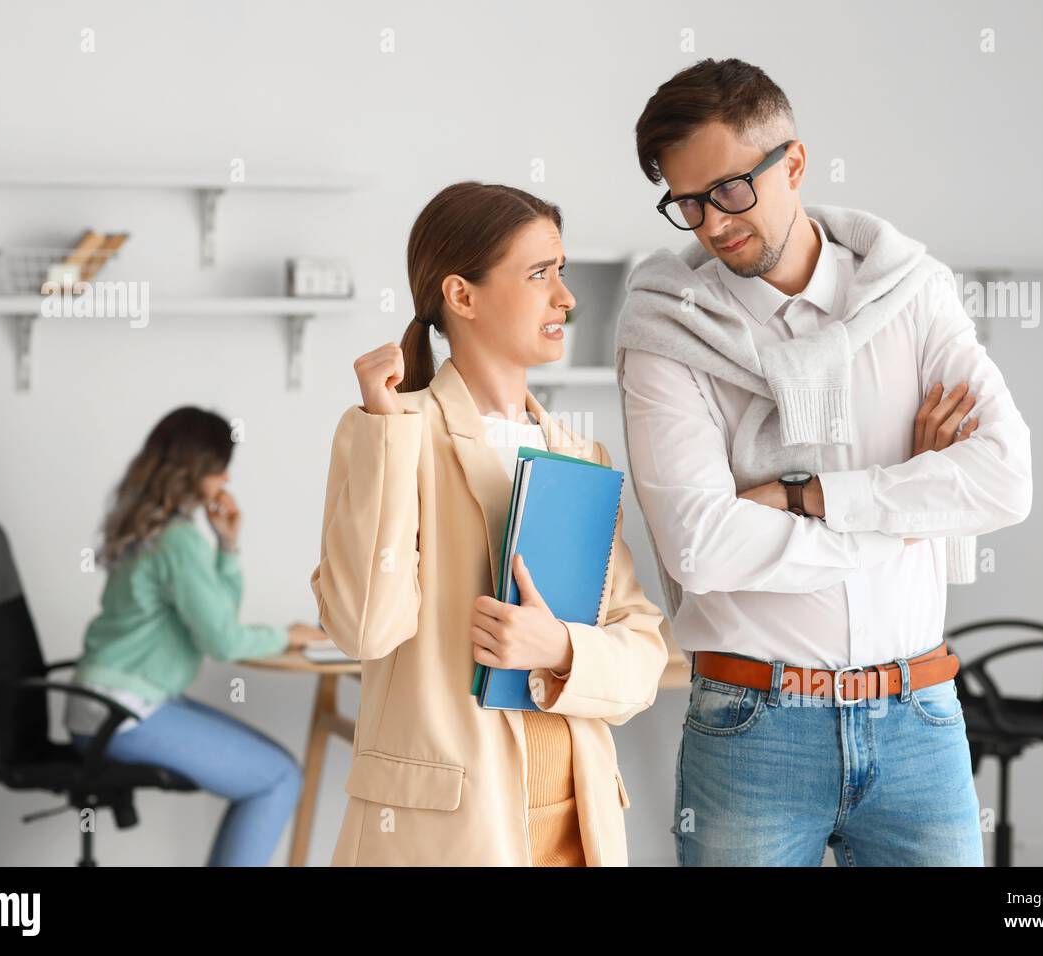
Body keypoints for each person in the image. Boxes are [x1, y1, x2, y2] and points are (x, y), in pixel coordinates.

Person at [618, 58, 1032, 866]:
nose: (712, 224)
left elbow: (1004, 478)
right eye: (688, 203)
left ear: (794, 164)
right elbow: (700, 545)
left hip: (921, 719)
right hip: (752, 728)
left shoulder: (915, 294)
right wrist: (908, 503)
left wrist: (804, 495)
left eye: (731, 190)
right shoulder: (668, 333)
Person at [311, 181, 670, 866]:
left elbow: (643, 656)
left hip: (576, 823)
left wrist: (560, 647)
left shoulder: (578, 454)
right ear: (462, 296)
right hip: (445, 833)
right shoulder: (392, 434)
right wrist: (385, 436)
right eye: (540, 274)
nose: (566, 298)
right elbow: (363, 628)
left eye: (562, 273)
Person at [66, 405, 324, 866]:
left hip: (105, 705)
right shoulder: (178, 541)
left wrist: (227, 546)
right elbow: (223, 640)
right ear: (197, 469)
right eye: (221, 468)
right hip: (122, 712)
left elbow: (218, 618)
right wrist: (290, 635)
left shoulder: (149, 525)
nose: (226, 480)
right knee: (278, 778)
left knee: (275, 772)